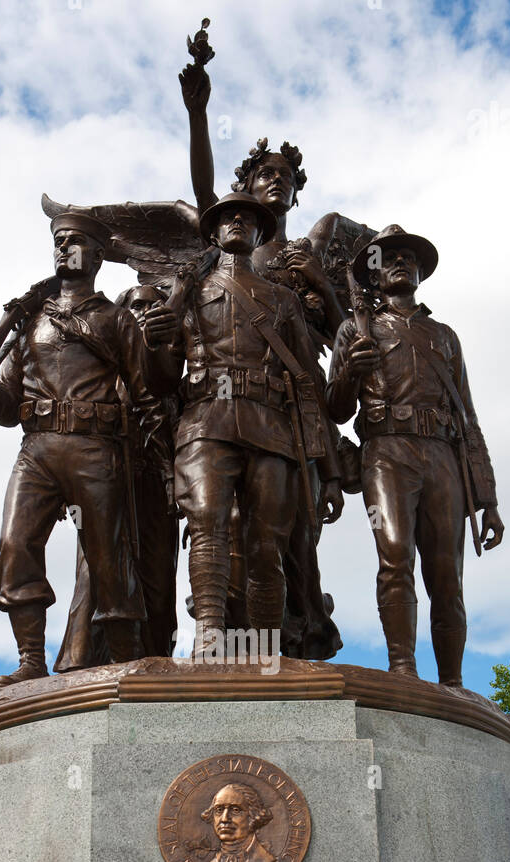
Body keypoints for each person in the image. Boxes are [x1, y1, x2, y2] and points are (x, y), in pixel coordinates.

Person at [0, 197, 176, 683]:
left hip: (96, 450)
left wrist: (164, 467)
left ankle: (125, 664)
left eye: (75, 241)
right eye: (58, 242)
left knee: (110, 560)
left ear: (98, 257)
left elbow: (146, 397)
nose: (64, 249)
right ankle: (30, 661)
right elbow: (3, 408)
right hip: (36, 449)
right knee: (15, 544)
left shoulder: (116, 320)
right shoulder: (29, 323)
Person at [152, 191, 343, 655]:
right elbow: (158, 381)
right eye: (228, 217)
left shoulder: (282, 300)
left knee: (266, 545)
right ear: (213, 233)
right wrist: (157, 337)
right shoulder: (186, 293)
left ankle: (265, 649)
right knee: (207, 525)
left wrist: (330, 473)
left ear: (261, 233)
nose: (238, 221)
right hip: (204, 424)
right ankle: (209, 639)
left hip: (272, 430)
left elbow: (308, 385)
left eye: (248, 218)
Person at [326, 225, 504, 686]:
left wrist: (487, 498)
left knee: (447, 574)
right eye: (388, 258)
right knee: (395, 555)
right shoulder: (354, 328)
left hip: (442, 455)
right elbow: (336, 408)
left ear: (421, 273)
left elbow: (468, 418)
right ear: (373, 274)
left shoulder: (444, 336)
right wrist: (350, 370)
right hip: (385, 451)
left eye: (408, 258)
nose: (399, 263)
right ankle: (402, 667)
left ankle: (453, 684)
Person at [54, 284, 180, 669]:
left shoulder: (172, 376)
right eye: (138, 305)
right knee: (96, 574)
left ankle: (155, 661)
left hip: (156, 488)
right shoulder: (100, 372)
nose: (146, 312)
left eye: (155, 306)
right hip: (102, 482)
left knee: (158, 581)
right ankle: (80, 664)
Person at [201, 783, 275, 862]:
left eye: (235, 810)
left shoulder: (265, 861)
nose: (224, 819)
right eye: (219, 810)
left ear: (253, 816)